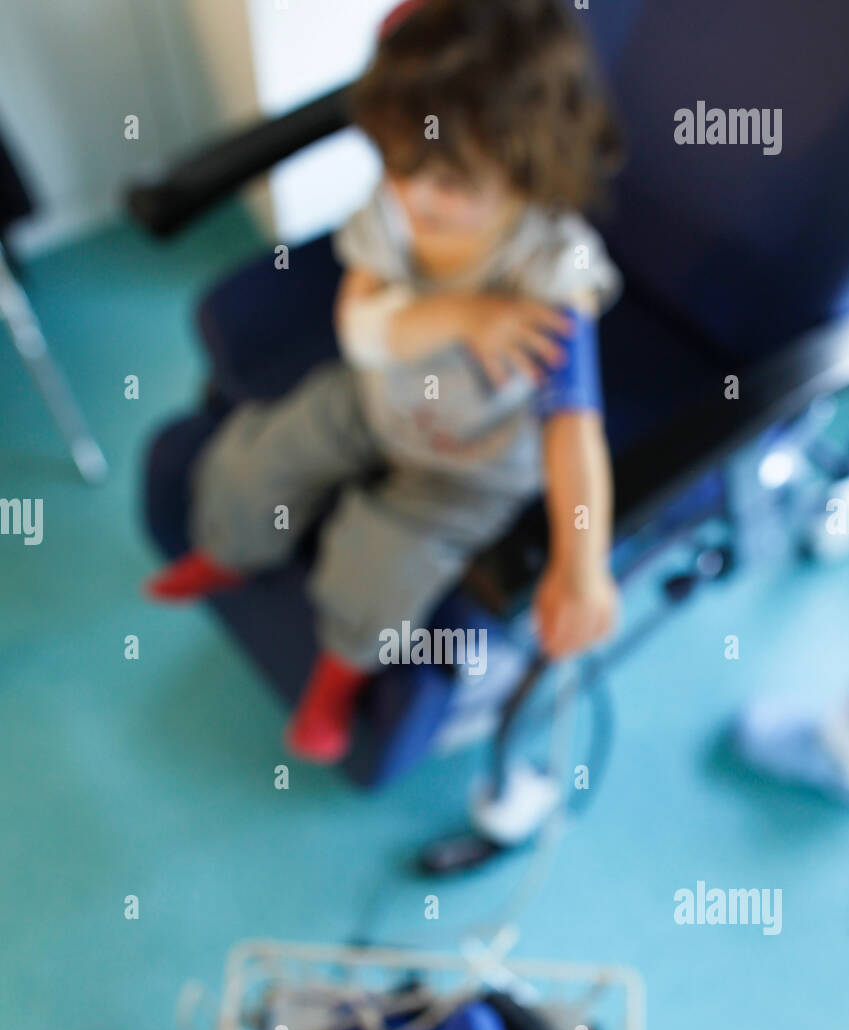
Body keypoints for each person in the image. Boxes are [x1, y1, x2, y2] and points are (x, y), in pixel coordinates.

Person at [146, 0, 623, 762]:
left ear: (528, 155)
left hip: (470, 465)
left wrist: (582, 565)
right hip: (377, 397)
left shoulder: (552, 272)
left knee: (380, 568)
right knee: (257, 455)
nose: (421, 198)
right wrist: (461, 315)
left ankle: (335, 680)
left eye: (455, 180)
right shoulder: (397, 211)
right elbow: (362, 328)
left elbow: (575, 430)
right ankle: (227, 552)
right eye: (404, 168)